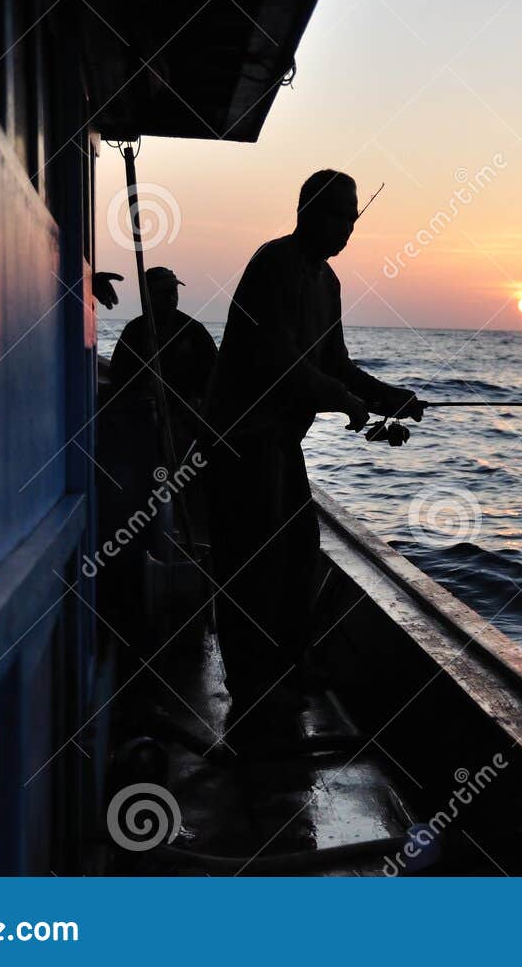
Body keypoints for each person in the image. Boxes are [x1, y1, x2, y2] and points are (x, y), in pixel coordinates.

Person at [204, 169, 425, 729]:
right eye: (339, 214)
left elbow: (336, 364)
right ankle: (251, 686)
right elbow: (278, 361)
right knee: (250, 566)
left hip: (281, 441)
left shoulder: (328, 284)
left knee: (301, 553)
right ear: (308, 211)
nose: (348, 227)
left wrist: (387, 398)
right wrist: (341, 399)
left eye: (353, 217)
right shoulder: (272, 264)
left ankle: (289, 665)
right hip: (240, 440)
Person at [106, 265, 217, 416]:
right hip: (143, 411)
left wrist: (197, 401)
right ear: (149, 295)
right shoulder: (134, 331)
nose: (172, 297)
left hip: (187, 412)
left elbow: (214, 372)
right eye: (165, 292)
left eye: (174, 292)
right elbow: (118, 375)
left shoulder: (193, 329)